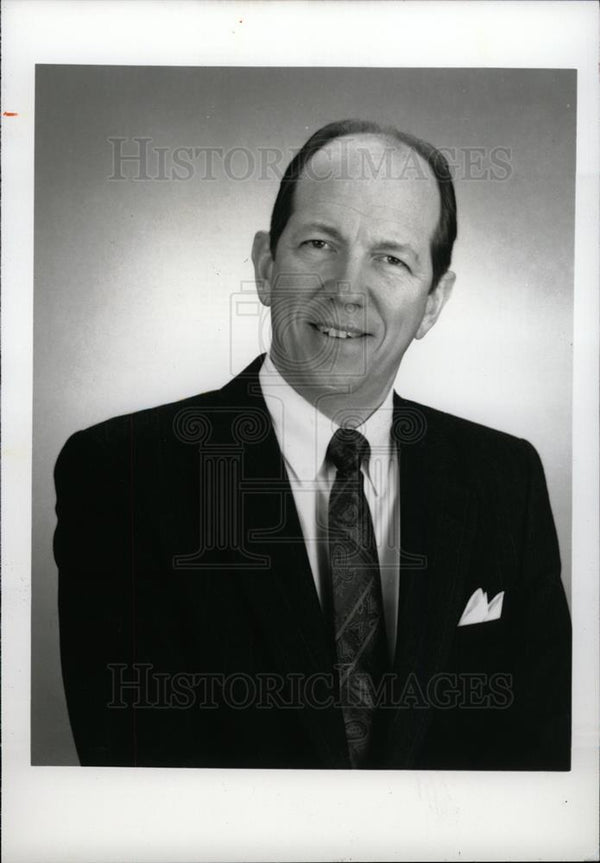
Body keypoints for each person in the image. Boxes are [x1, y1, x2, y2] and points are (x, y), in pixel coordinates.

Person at [54, 119, 571, 769]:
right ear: (266, 265)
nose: (348, 288)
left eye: (392, 258)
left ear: (433, 302)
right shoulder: (122, 475)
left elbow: (539, 762)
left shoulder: (505, 478)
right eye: (320, 243)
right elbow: (141, 778)